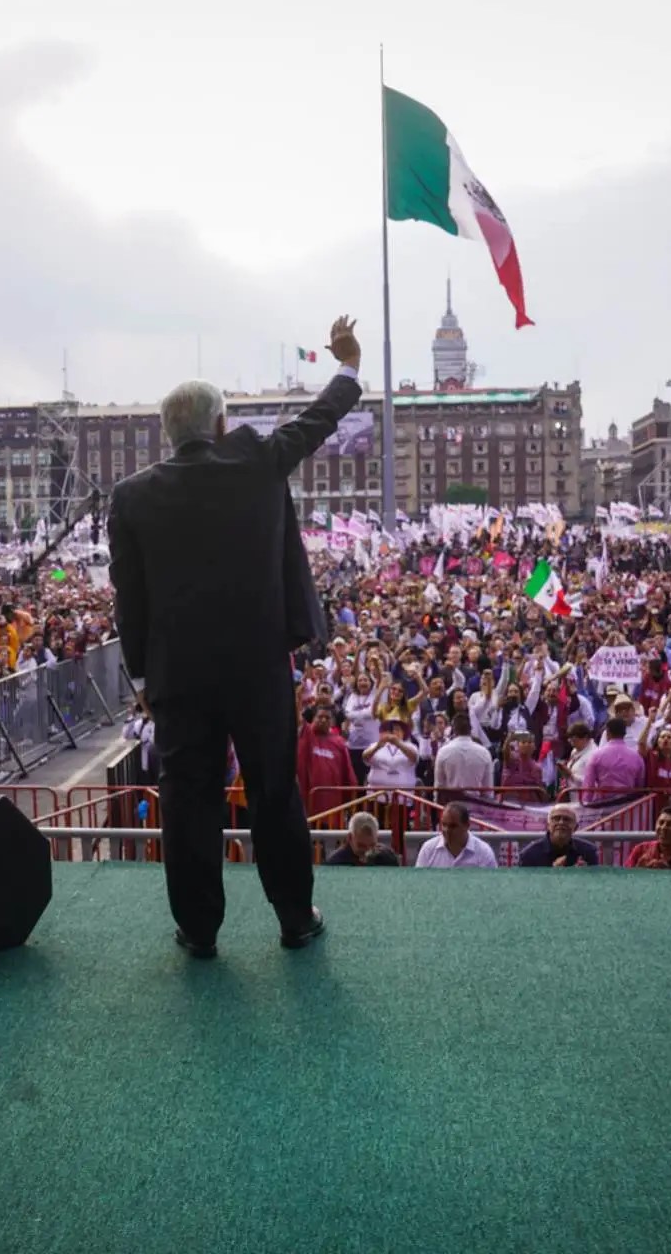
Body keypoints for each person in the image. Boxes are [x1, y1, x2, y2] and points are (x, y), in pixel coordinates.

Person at [109, 315, 361, 956]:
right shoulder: (256, 460)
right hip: (257, 669)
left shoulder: (132, 497)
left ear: (168, 434)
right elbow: (319, 420)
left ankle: (198, 931)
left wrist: (141, 677)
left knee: (187, 800)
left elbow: (128, 600)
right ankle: (295, 918)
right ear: (221, 425)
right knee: (274, 790)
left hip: (177, 676)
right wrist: (348, 365)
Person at [414, 802, 499, 868]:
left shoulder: (484, 852)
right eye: (444, 825)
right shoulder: (428, 849)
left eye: (453, 826)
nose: (447, 830)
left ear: (467, 826)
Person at [517, 802, 599, 867]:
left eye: (567, 819)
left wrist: (585, 874)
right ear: (548, 825)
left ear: (576, 827)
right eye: (556, 818)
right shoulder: (529, 854)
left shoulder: (588, 851)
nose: (561, 822)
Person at [325, 811, 400, 867]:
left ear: (377, 838)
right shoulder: (335, 863)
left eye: (372, 845)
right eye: (361, 846)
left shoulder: (388, 859)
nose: (367, 851)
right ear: (350, 838)